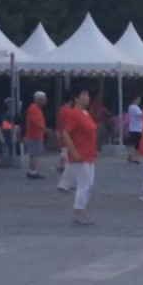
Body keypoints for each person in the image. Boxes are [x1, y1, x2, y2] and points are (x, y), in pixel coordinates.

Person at [62, 89, 98, 225]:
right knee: (84, 184)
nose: (87, 98)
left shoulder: (85, 113)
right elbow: (66, 133)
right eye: (84, 95)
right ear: (76, 98)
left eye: (88, 95)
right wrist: (74, 152)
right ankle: (78, 212)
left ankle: (81, 210)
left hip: (89, 155)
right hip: (80, 156)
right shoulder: (74, 114)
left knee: (89, 184)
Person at [24, 91, 48, 180]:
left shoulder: (36, 108)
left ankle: (33, 170)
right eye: (44, 98)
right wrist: (43, 128)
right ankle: (34, 171)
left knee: (34, 153)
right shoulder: (33, 108)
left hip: (36, 135)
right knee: (35, 153)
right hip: (34, 135)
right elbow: (33, 121)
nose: (45, 101)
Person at [55, 97, 77, 192]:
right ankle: (65, 183)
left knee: (68, 158)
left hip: (63, 136)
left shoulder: (62, 110)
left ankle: (70, 182)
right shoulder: (68, 112)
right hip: (68, 138)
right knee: (70, 161)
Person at [126, 95, 143, 163]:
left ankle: (130, 156)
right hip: (138, 128)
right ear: (135, 100)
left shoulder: (130, 107)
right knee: (138, 144)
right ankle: (136, 158)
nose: (139, 101)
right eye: (138, 99)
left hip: (133, 127)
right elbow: (140, 115)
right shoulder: (135, 107)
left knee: (133, 143)